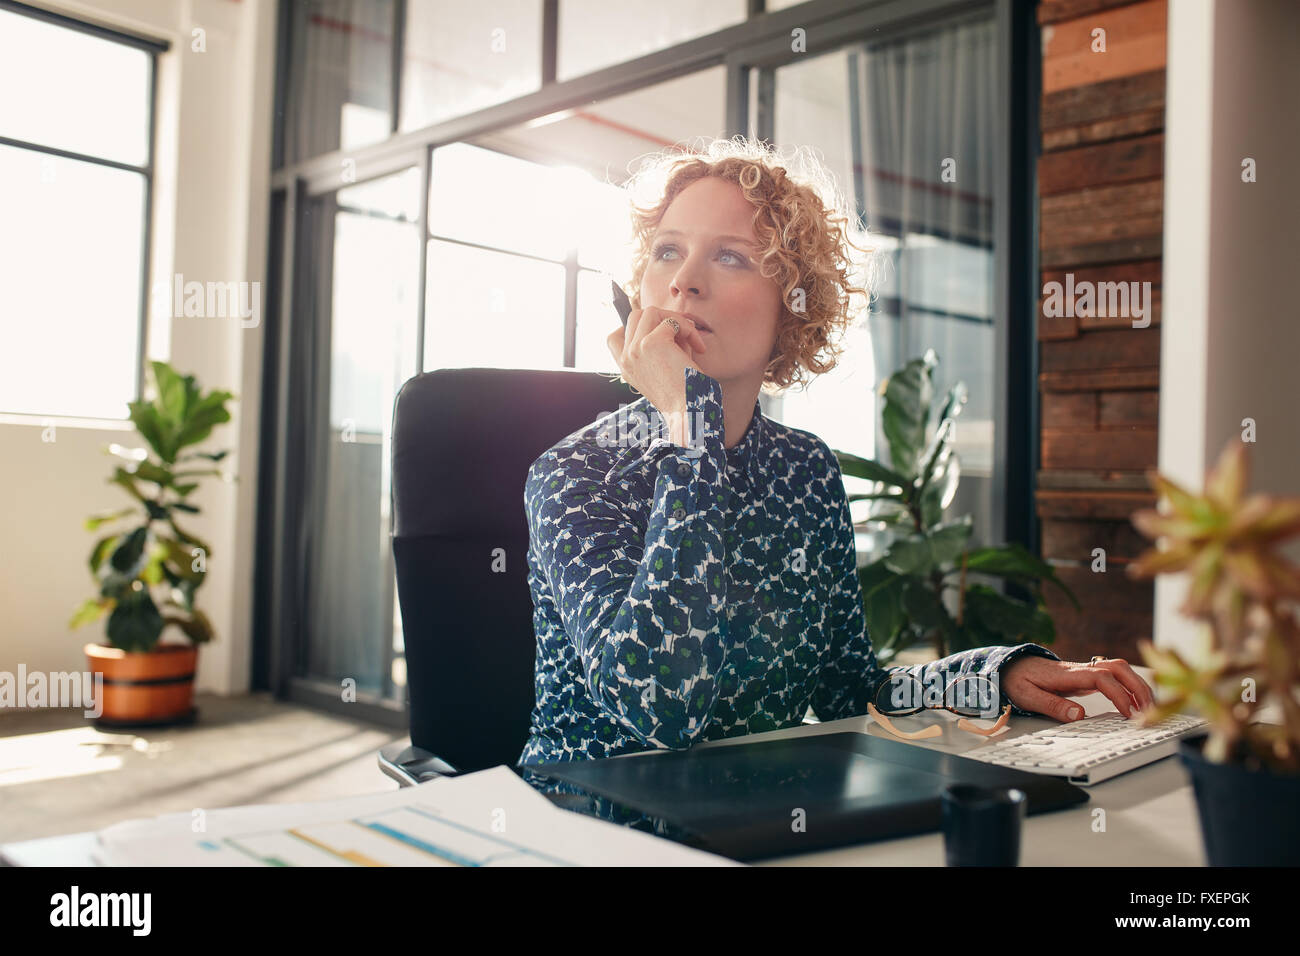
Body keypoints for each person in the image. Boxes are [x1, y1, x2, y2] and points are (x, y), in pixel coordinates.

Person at [515, 136, 1154, 774]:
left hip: (764, 821)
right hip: (593, 825)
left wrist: (998, 674)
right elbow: (659, 706)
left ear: (791, 311)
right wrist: (692, 426)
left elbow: (848, 689)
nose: (684, 281)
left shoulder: (805, 470)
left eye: (731, 257)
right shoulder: (576, 473)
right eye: (668, 251)